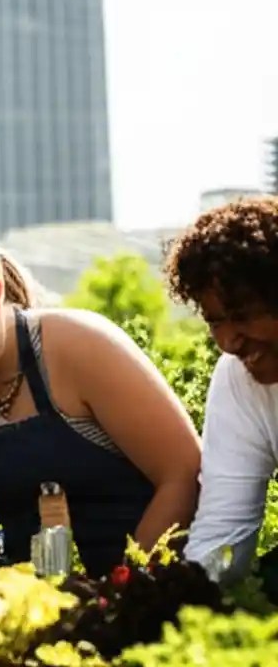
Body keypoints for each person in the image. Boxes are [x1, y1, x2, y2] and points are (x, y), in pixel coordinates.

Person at [0, 222, 201, 583]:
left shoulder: (78, 344)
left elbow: (183, 472)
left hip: (143, 583)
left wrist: (122, 590)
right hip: (30, 597)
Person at [171, 196, 278, 588]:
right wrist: (167, 596)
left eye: (242, 316)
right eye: (216, 322)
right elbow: (223, 535)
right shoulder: (238, 379)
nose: (230, 341)